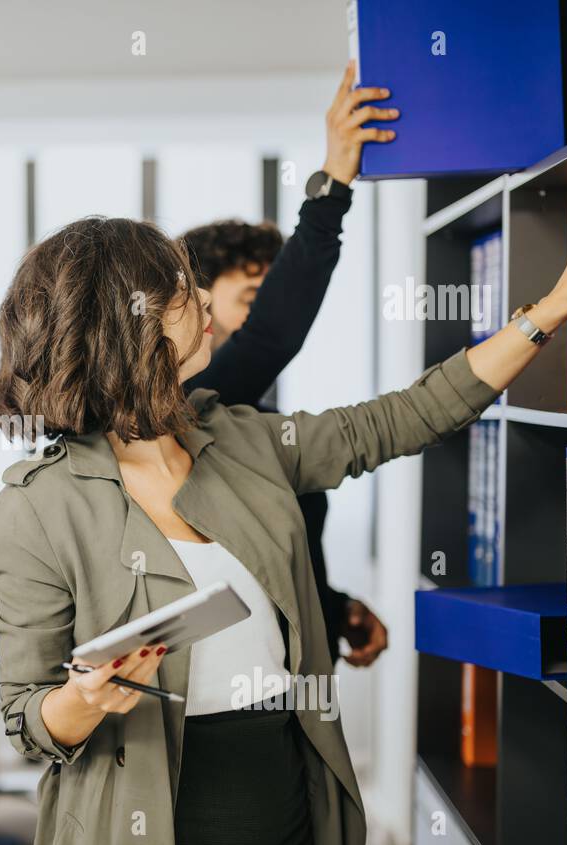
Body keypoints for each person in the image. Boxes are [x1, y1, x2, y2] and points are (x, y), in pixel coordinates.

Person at [0, 183, 567, 845]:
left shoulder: (243, 437)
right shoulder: (38, 504)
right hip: (136, 844)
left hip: (290, 822)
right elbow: (25, 716)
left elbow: (405, 417)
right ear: (129, 327)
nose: (204, 300)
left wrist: (551, 309)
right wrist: (82, 699)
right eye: (181, 290)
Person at [180, 61, 390, 667]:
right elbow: (272, 334)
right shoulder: (187, 401)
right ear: (195, 303)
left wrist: (334, 606)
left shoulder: (255, 414)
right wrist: (334, 183)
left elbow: (266, 566)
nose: (261, 314)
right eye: (250, 298)